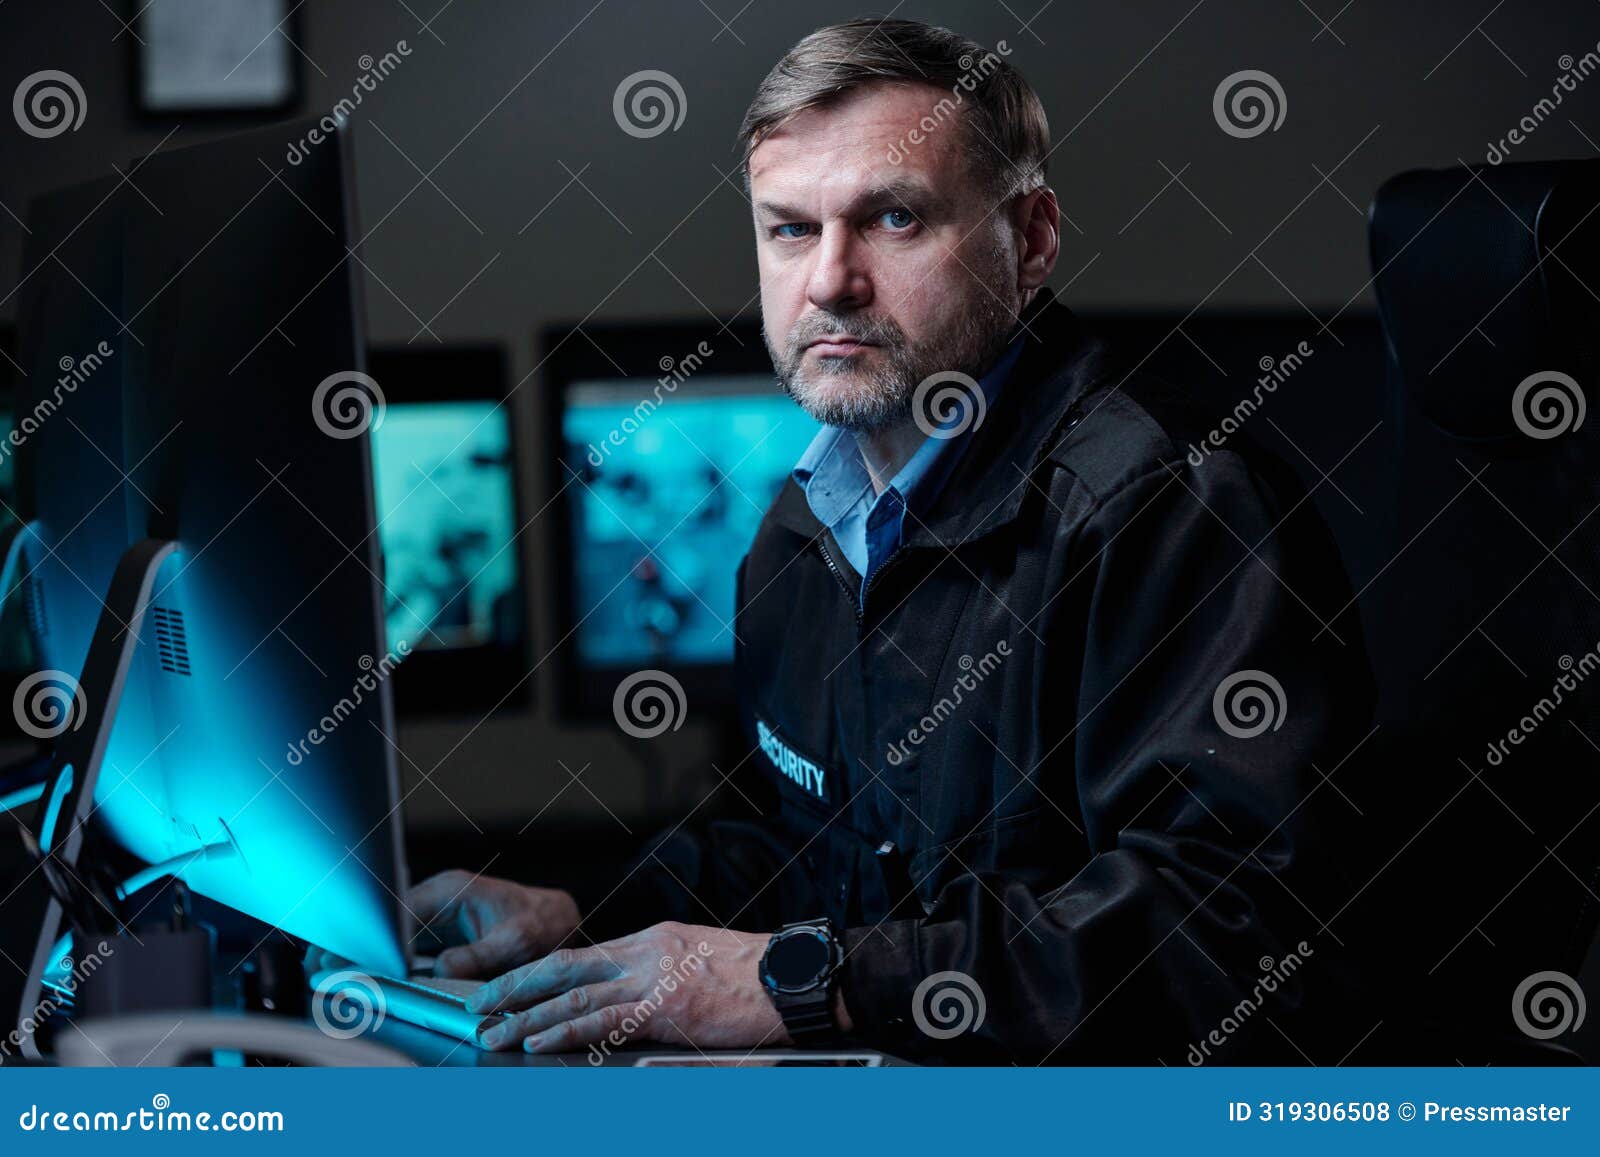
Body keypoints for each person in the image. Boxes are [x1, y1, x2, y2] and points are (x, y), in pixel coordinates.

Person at [398, 18, 1374, 1063]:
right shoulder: (800, 531)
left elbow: (1232, 932)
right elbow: (803, 856)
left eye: (894, 218)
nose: (829, 281)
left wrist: (809, 982)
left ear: (1031, 240)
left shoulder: (1166, 502)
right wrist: (579, 917)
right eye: (789, 229)